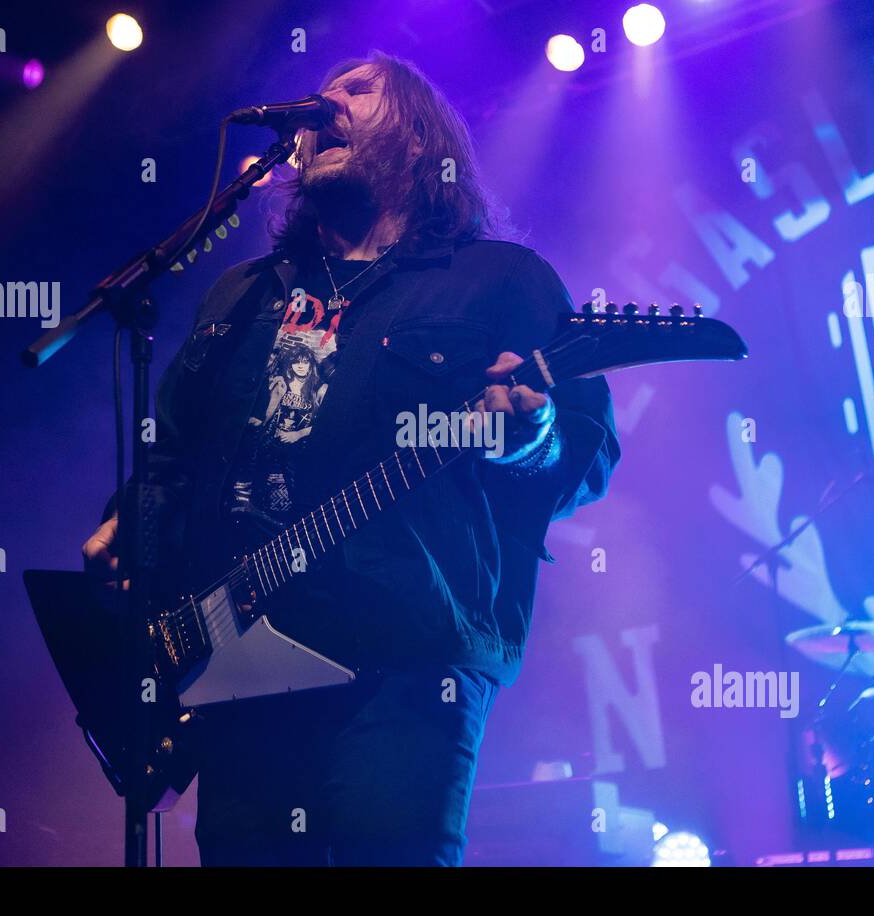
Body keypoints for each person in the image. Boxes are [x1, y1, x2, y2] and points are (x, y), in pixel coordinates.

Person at [80, 51, 619, 866]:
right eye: (318, 98)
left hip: (404, 662)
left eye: (357, 92)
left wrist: (529, 438)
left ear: (418, 137)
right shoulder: (245, 294)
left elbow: (587, 449)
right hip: (242, 661)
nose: (324, 105)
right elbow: (178, 448)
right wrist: (128, 519)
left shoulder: (495, 280)